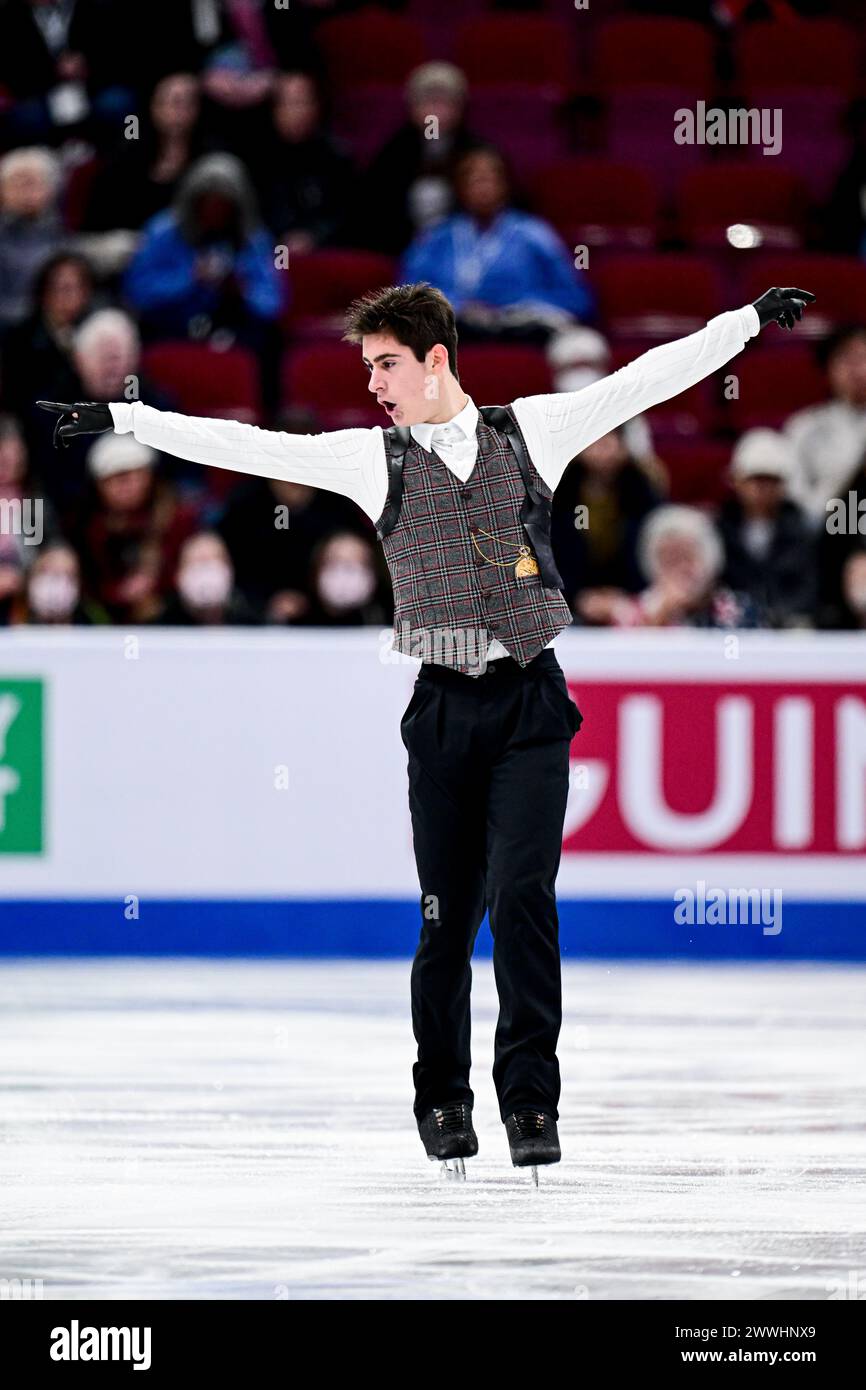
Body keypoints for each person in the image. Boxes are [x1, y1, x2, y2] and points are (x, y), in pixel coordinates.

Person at [36, 281, 815, 1176]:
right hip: (442, 711)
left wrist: (745, 322)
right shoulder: (377, 460)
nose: (372, 383)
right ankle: (443, 1098)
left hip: (530, 703)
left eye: (386, 365)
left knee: (524, 898)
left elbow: (647, 379)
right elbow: (247, 444)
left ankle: (530, 1103)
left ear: (435, 358)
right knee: (448, 920)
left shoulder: (534, 431)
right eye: (368, 367)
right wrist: (125, 419)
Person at [400, 145, 595, 344]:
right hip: (454, 330)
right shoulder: (436, 237)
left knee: (584, 344)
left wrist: (520, 304)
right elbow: (408, 294)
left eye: (491, 179)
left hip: (526, 329)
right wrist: (458, 305)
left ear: (505, 185)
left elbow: (577, 299)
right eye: (474, 180)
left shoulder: (535, 234)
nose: (483, 188)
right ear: (460, 188)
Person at [716, 428, 816, 628]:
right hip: (732, 627)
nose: (762, 489)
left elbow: (810, 588)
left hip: (790, 627)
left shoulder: (803, 533)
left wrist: (778, 617)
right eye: (755, 480)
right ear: (736, 481)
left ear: (783, 485)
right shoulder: (718, 531)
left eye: (770, 481)